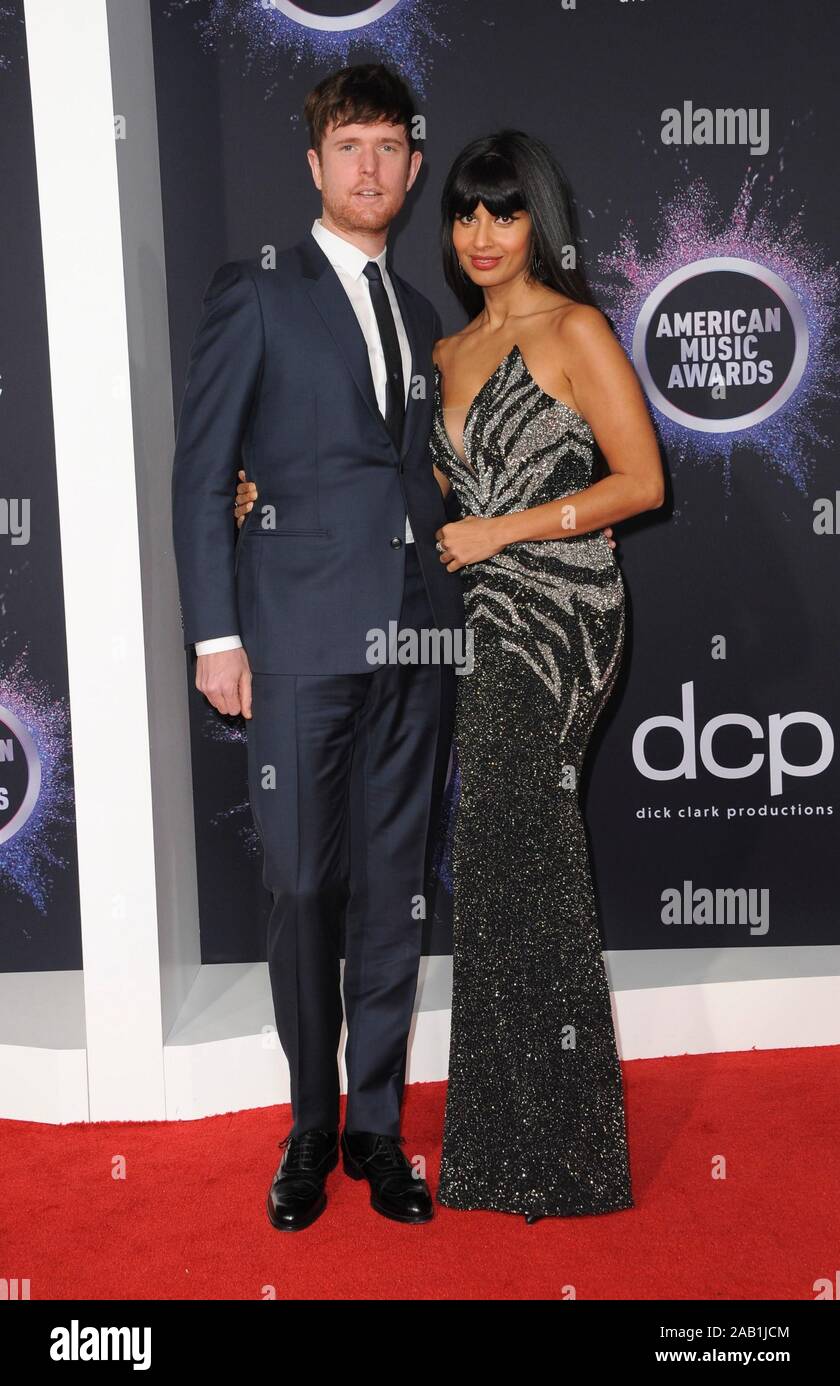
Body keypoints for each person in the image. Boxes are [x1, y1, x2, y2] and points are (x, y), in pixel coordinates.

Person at [234, 125, 663, 1222]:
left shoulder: (577, 329)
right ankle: (507, 1134)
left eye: (503, 213)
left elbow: (640, 482)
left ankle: (555, 1150)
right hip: (462, 623)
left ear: (538, 223)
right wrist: (265, 490)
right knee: (502, 860)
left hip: (558, 617)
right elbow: (396, 485)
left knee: (524, 854)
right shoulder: (442, 347)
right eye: (467, 214)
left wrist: (515, 528)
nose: (481, 234)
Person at [172, 64, 466, 1232]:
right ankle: (306, 1121)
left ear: (411, 164)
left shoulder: (423, 313)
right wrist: (214, 633)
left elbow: (414, 473)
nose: (372, 167)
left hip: (414, 636)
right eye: (351, 145)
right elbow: (204, 473)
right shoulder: (257, 290)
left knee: (395, 892)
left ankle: (377, 1129)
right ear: (314, 163)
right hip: (292, 637)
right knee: (303, 885)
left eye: (392, 147)